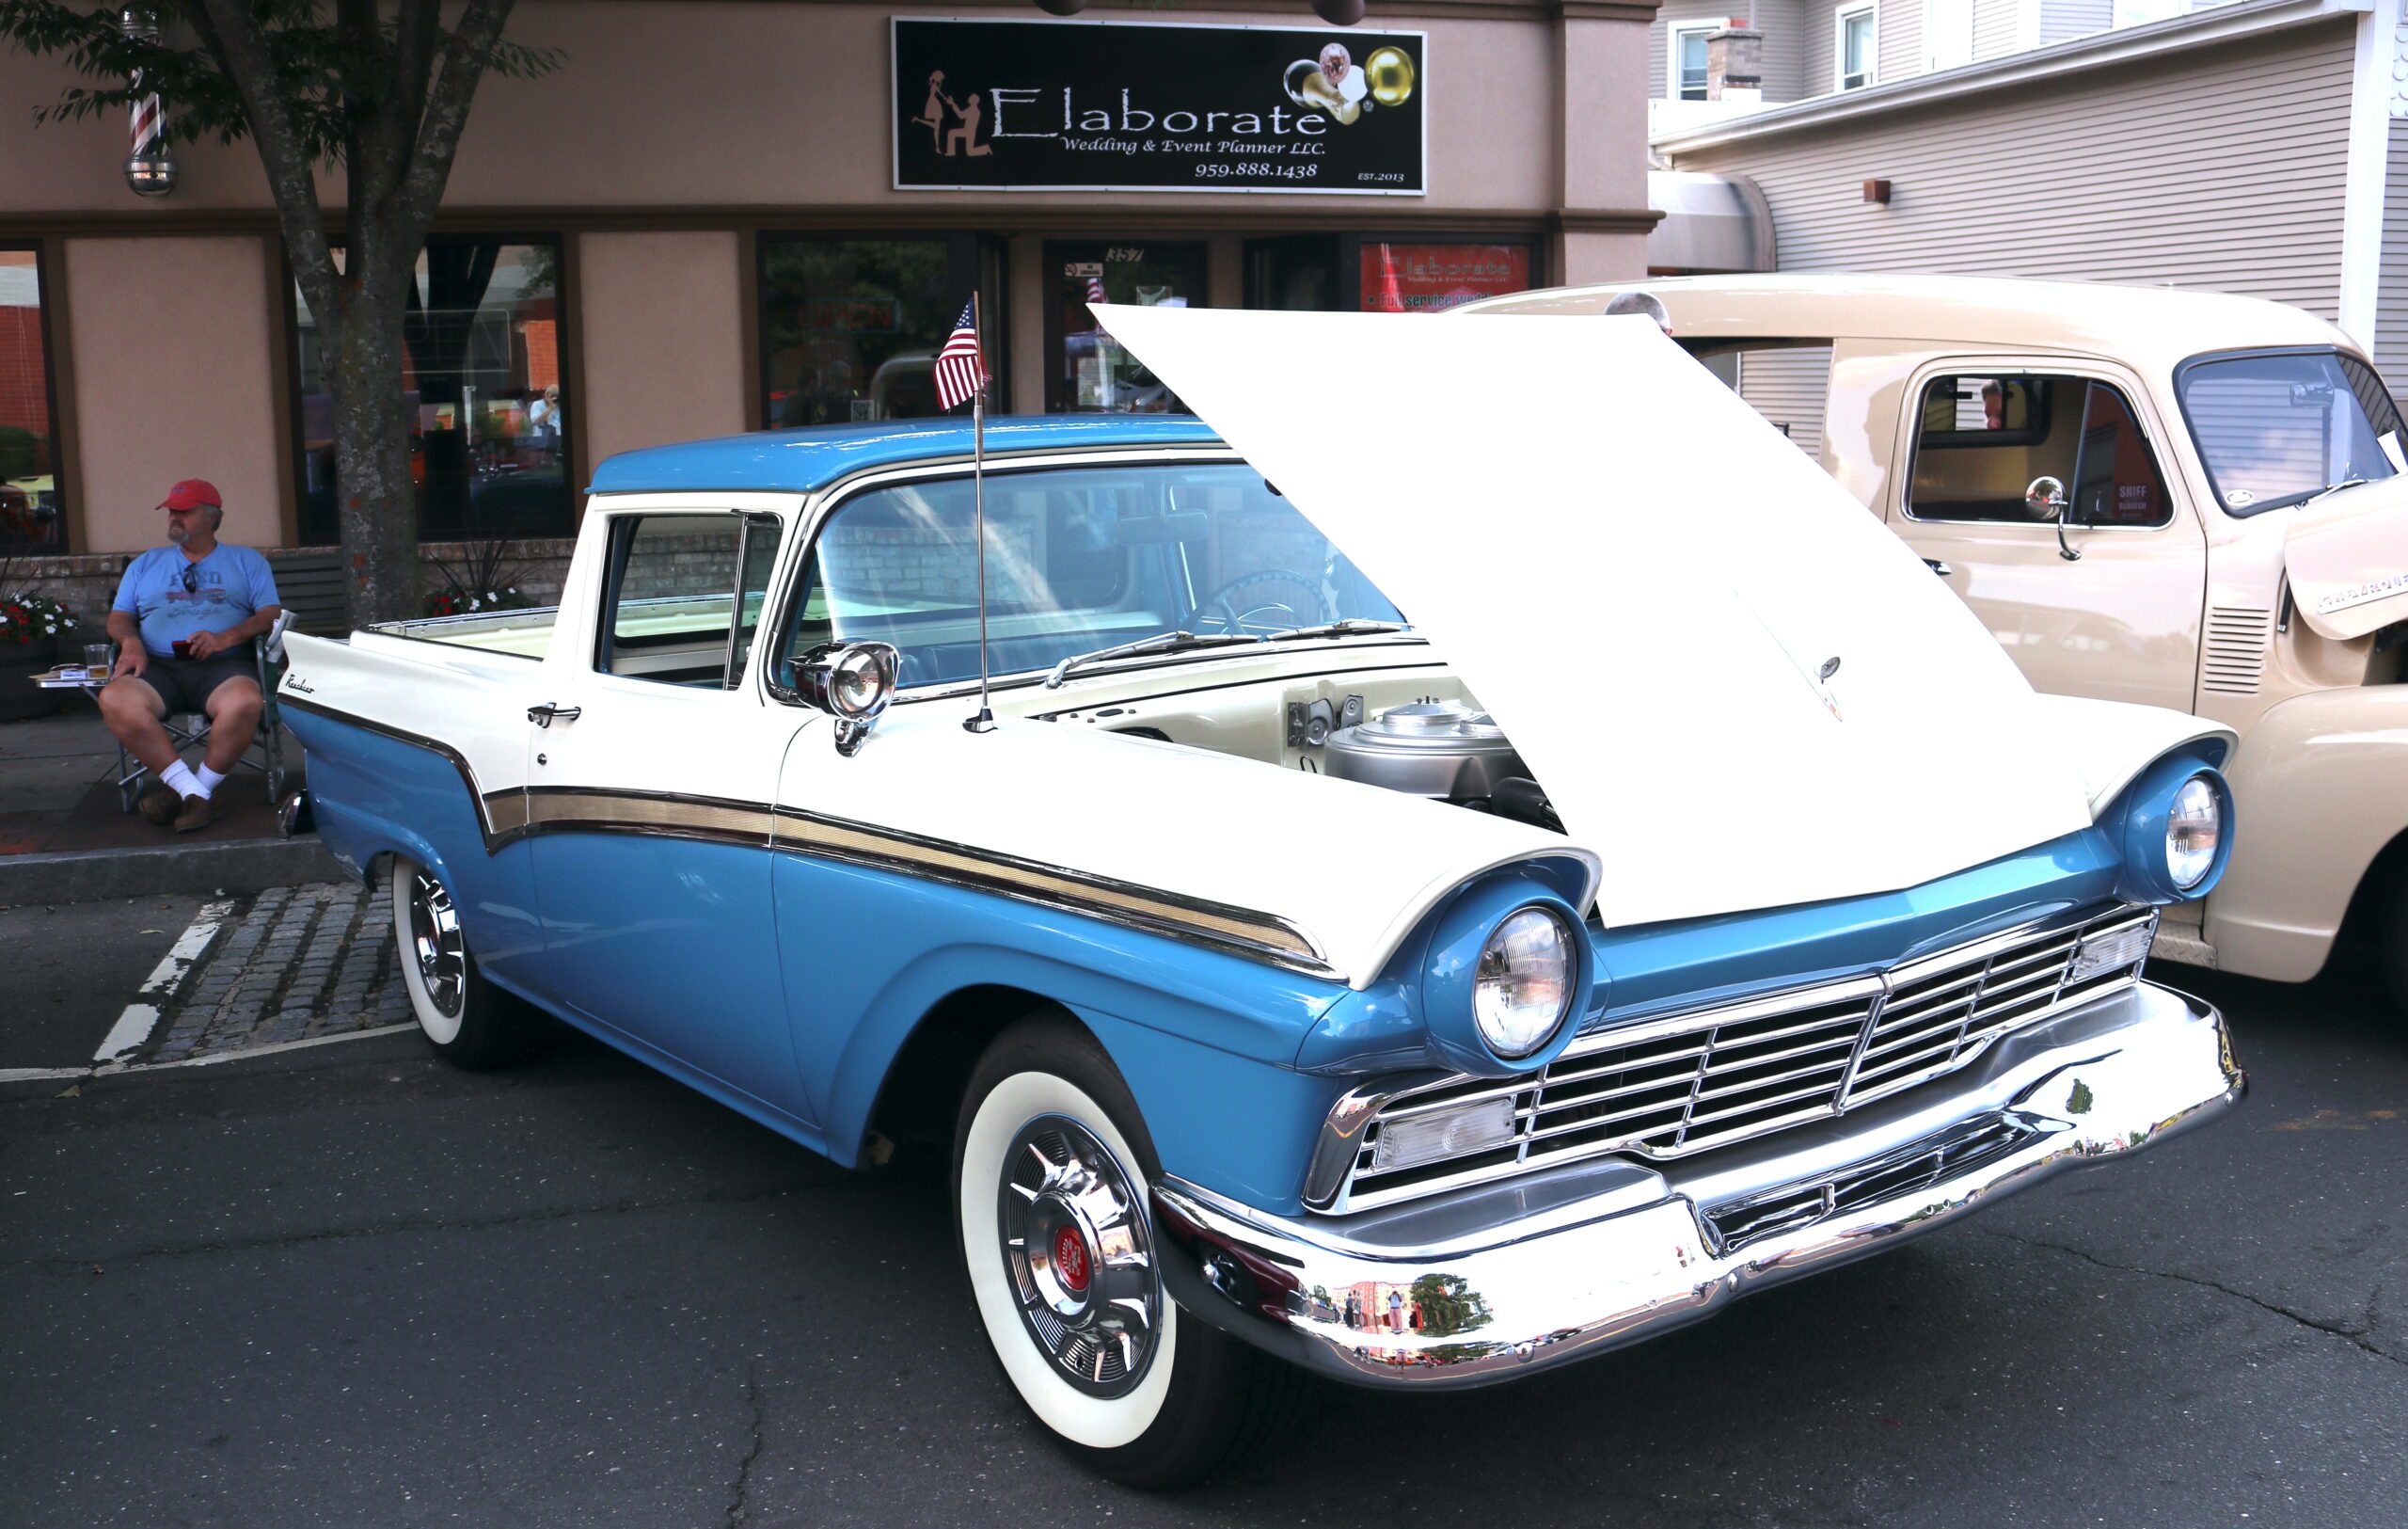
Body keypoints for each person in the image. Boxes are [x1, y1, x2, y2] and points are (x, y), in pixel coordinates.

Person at [99, 480, 283, 834]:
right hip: (156, 666)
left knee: (246, 702)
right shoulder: (145, 564)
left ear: (213, 517)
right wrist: (130, 642)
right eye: (171, 511)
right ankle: (196, 794)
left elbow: (270, 614)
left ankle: (184, 793)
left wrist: (225, 637)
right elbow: (119, 617)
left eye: (184, 510)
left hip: (224, 667)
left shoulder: (247, 561)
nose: (174, 517)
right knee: (115, 698)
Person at [528, 383, 562, 460]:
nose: (555, 399)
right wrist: (550, 408)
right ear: (547, 394)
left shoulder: (559, 405)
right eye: (554, 396)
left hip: (559, 440)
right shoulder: (537, 404)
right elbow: (537, 421)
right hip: (543, 443)